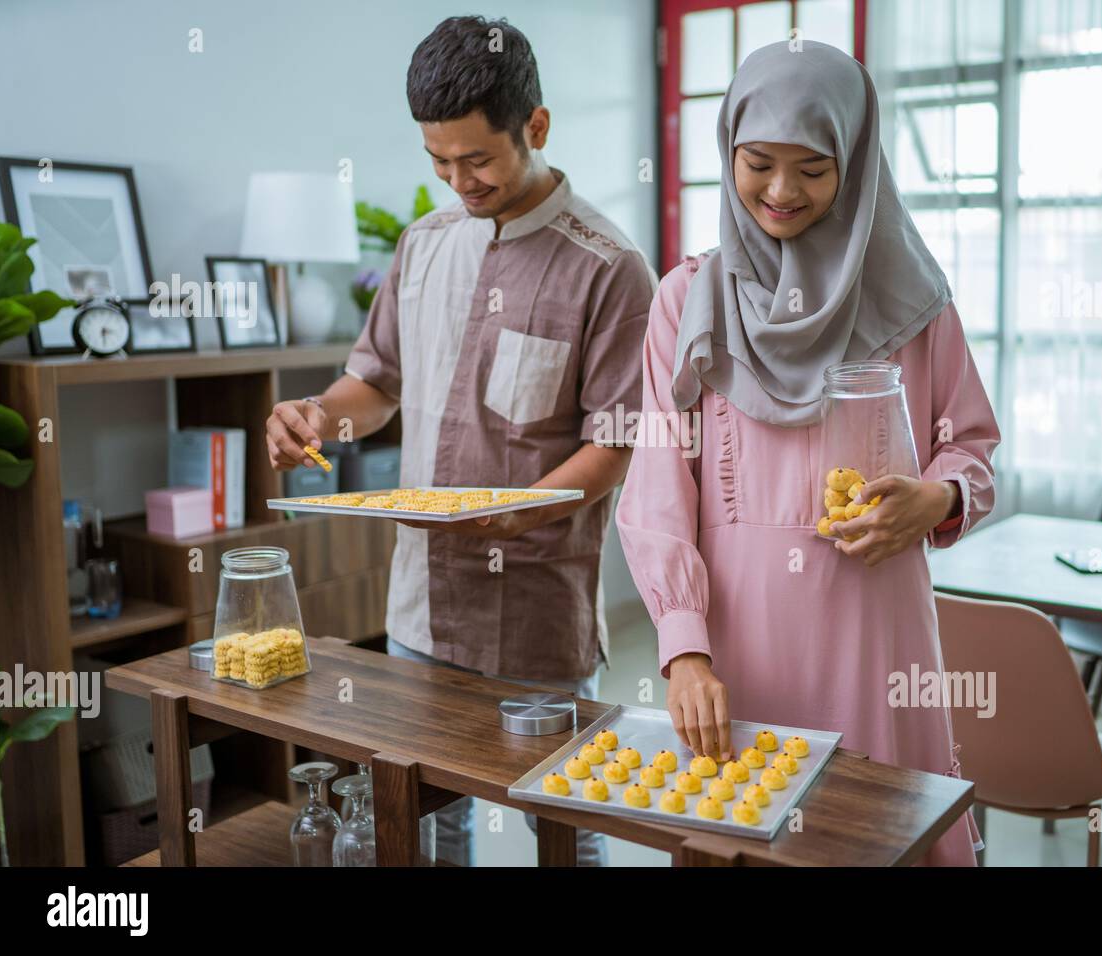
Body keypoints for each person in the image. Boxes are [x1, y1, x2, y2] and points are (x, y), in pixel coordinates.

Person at [265, 16, 655, 866]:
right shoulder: (423, 245)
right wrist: (316, 417)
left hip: (536, 615)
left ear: (537, 127)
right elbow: (375, 385)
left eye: (476, 160)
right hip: (418, 611)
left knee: (563, 823)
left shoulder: (610, 267)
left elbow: (618, 440)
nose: (457, 181)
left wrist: (519, 511)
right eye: (438, 162)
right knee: (423, 821)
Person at [615, 41, 1000, 866]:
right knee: (744, 829)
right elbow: (655, 486)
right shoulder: (687, 298)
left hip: (877, 636)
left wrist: (936, 499)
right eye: (758, 163)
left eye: (813, 169)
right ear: (728, 154)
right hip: (737, 640)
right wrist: (684, 648)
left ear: (855, 165)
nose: (781, 192)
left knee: (882, 835)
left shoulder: (917, 304)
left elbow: (971, 449)